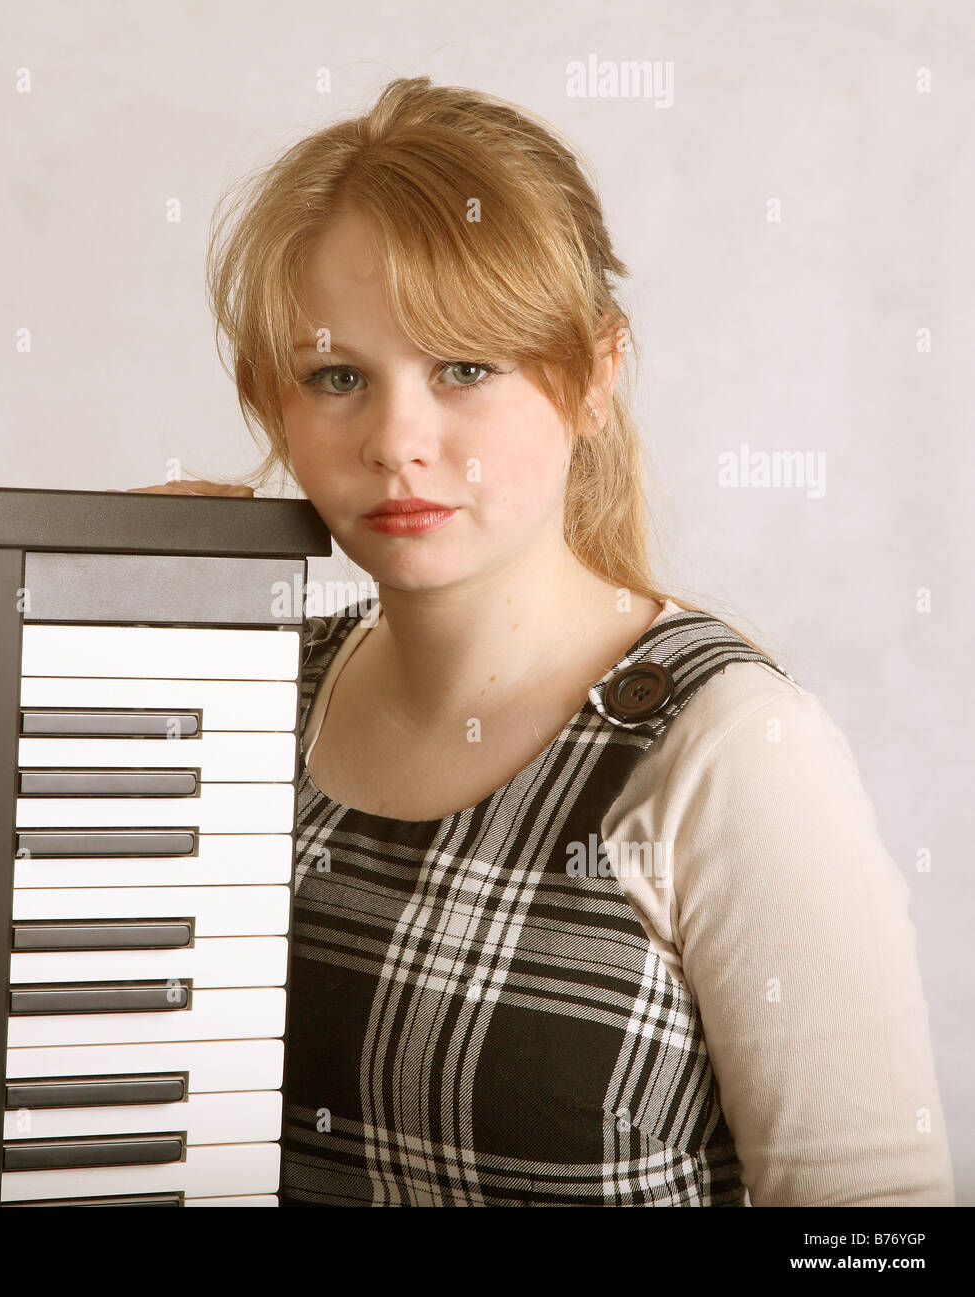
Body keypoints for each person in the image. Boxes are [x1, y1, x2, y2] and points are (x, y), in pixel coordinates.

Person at [129, 77, 954, 1206]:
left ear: (594, 378)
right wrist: (109, 616)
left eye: (465, 368)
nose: (397, 441)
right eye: (337, 378)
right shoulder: (250, 690)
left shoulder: (731, 755)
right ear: (273, 406)